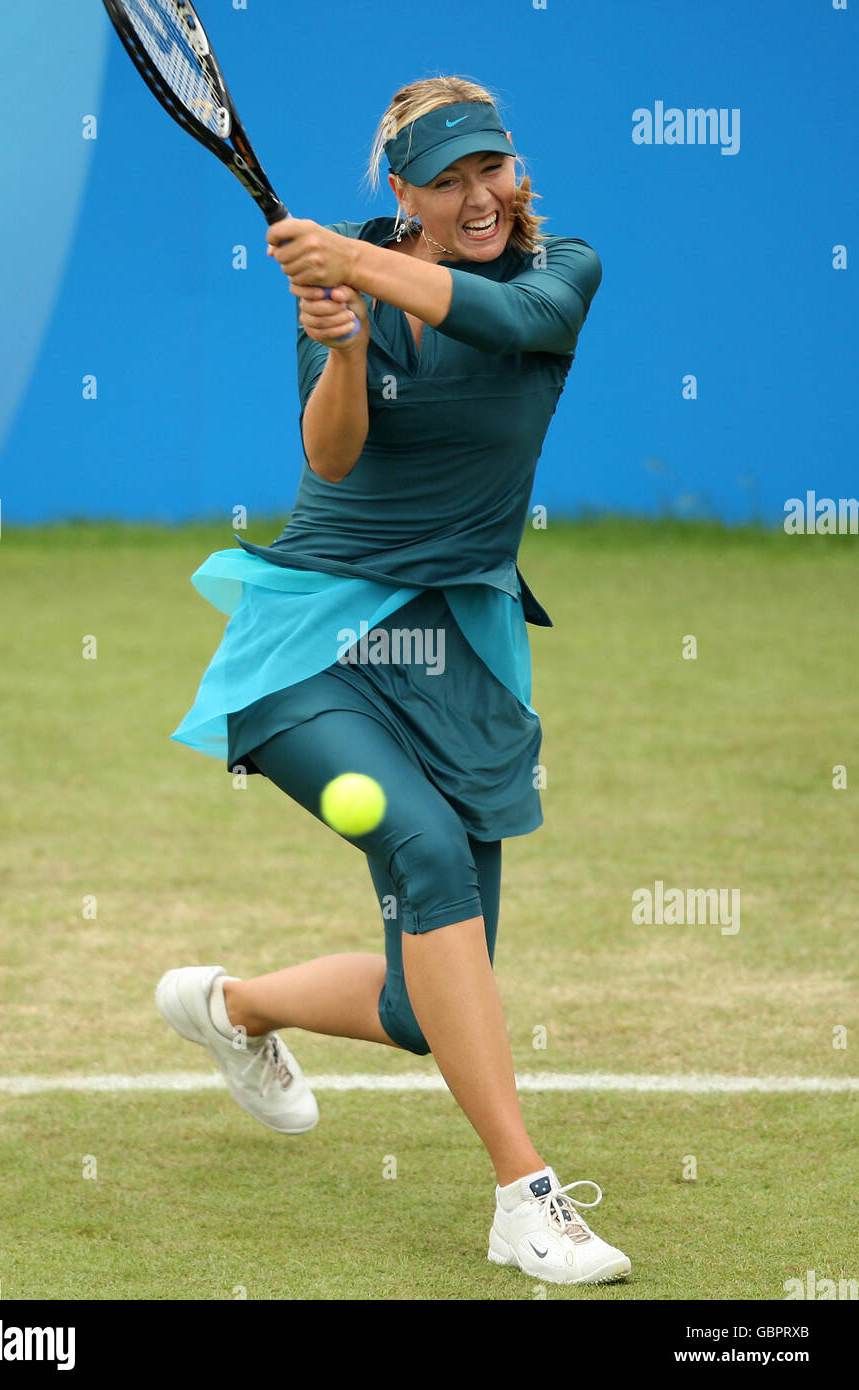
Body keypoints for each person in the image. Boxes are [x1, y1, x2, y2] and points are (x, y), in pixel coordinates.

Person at [158, 75, 630, 1287]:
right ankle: (525, 1198)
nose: (479, 197)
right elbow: (329, 454)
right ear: (402, 194)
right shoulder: (349, 282)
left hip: (458, 648)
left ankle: (232, 1006)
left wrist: (358, 279)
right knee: (418, 849)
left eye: (494, 170)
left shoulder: (559, 267)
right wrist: (344, 346)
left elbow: (509, 326)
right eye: (447, 180)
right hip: (314, 639)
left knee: (424, 1006)